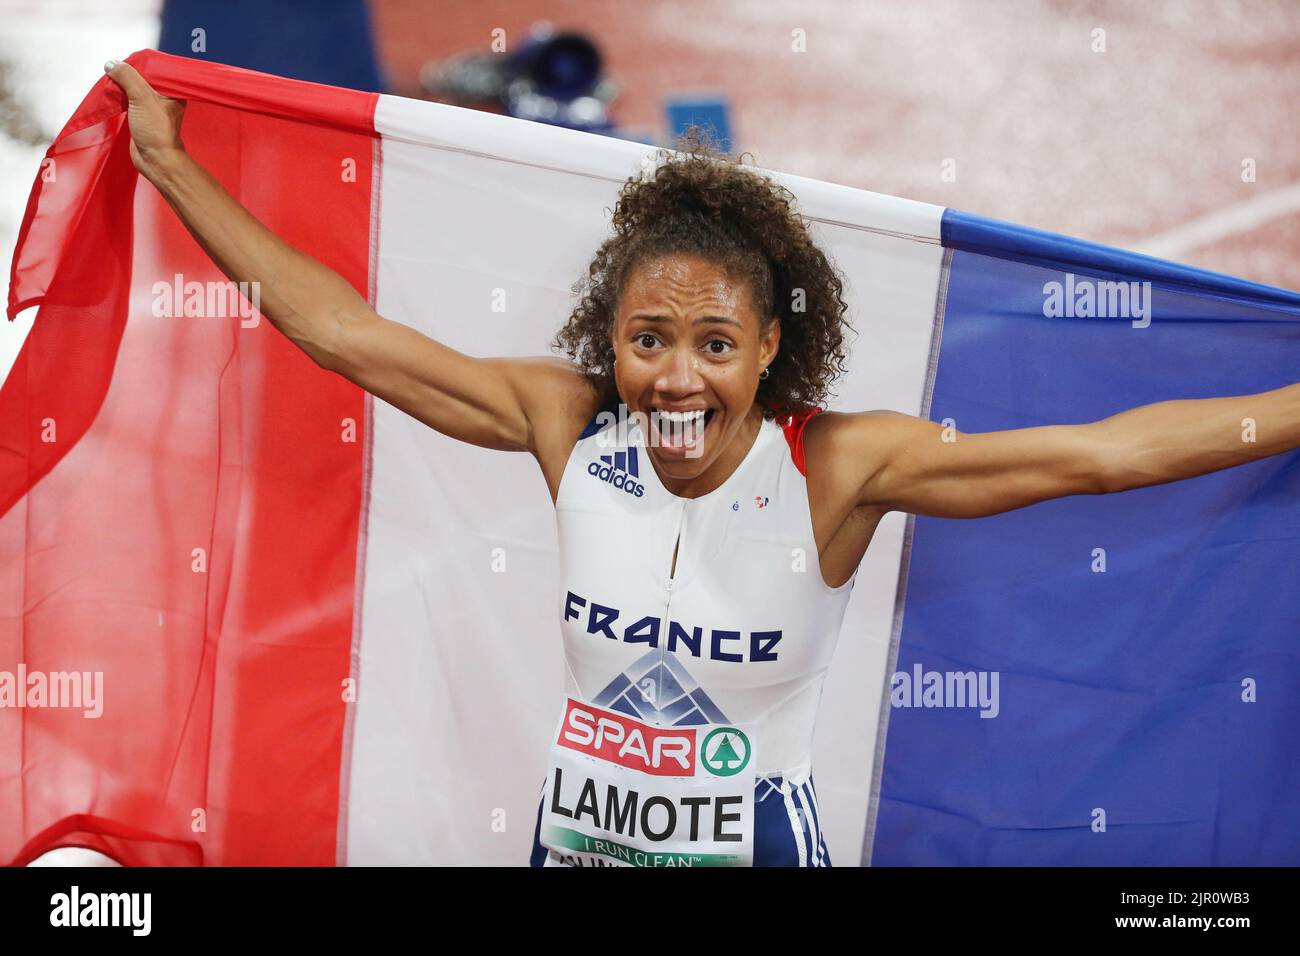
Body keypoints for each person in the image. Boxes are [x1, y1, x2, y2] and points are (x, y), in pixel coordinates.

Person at [104, 60, 1300, 867]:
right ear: (608, 341)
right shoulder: (566, 422)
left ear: (771, 345)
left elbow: (1097, 456)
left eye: (715, 345)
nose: (677, 378)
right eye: (648, 340)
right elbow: (344, 333)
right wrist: (171, 165)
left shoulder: (832, 466)